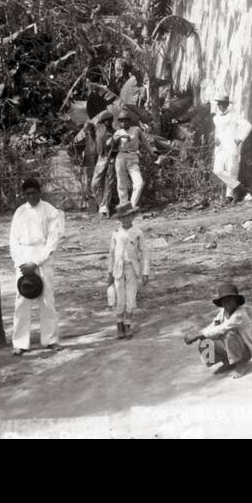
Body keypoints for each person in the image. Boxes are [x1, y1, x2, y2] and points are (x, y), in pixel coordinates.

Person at [9, 177, 64, 355]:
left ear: (39, 192)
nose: (31, 196)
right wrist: (21, 262)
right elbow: (13, 241)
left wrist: (36, 262)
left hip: (43, 256)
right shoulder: (19, 212)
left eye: (33, 193)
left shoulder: (50, 211)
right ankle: (20, 343)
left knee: (47, 300)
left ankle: (50, 339)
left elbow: (53, 240)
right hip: (23, 256)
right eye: (27, 194)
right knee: (22, 301)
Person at [183, 281, 252, 377]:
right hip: (231, 346)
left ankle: (241, 365)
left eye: (230, 299)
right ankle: (228, 363)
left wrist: (200, 334)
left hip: (244, 351)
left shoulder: (239, 314)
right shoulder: (223, 312)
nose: (227, 303)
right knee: (204, 342)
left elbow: (222, 328)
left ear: (236, 301)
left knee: (229, 334)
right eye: (224, 301)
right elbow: (214, 325)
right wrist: (199, 333)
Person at [107, 206, 150, 339]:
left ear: (133, 216)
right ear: (119, 219)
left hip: (132, 269)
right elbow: (111, 254)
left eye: (128, 216)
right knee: (120, 299)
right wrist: (109, 273)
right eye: (122, 217)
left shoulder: (138, 233)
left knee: (130, 298)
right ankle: (119, 326)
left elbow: (144, 253)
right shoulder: (116, 233)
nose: (125, 219)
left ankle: (128, 325)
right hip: (118, 269)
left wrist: (145, 272)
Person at [211, 94, 252, 202]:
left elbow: (247, 126)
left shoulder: (234, 116)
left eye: (223, 104)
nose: (221, 106)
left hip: (231, 147)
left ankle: (229, 196)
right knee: (217, 170)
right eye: (219, 104)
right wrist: (216, 139)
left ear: (227, 105)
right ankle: (241, 189)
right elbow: (218, 132)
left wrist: (240, 138)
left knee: (231, 171)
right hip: (220, 149)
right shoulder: (216, 118)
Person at [111, 109, 152, 210]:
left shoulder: (136, 129)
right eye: (121, 121)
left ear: (129, 121)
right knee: (121, 182)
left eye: (125, 121)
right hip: (121, 156)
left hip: (133, 156)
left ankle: (132, 205)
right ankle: (123, 204)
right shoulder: (118, 132)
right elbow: (111, 145)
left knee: (139, 183)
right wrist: (119, 137)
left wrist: (151, 152)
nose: (123, 123)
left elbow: (145, 142)